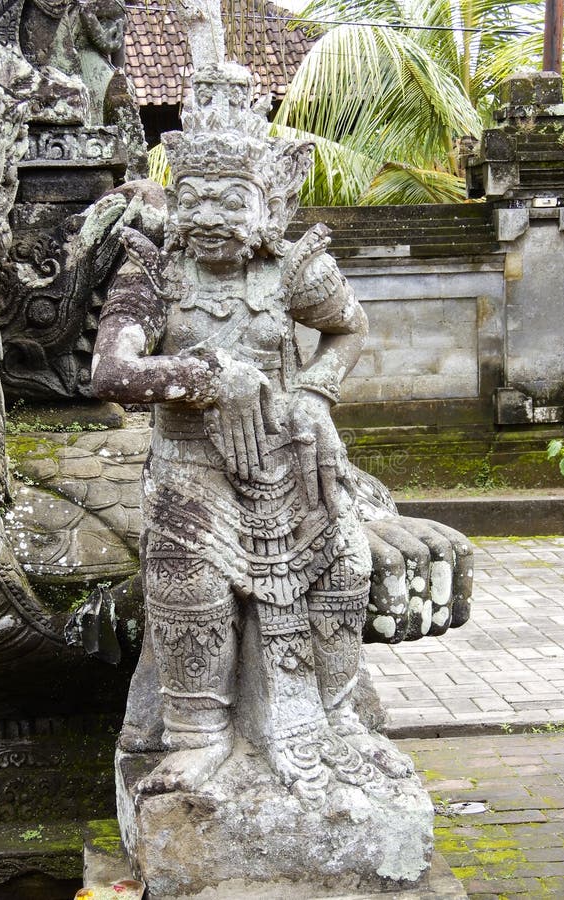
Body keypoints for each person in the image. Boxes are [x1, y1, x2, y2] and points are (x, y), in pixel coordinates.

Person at [91, 64, 410, 804]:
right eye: (194, 198)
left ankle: (336, 717)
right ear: (174, 203)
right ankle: (199, 737)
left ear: (269, 207)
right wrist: (206, 376)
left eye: (232, 200)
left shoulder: (292, 272)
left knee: (345, 567)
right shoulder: (154, 275)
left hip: (287, 465)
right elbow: (110, 373)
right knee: (187, 578)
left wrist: (313, 396)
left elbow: (348, 329)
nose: (209, 216)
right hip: (189, 467)